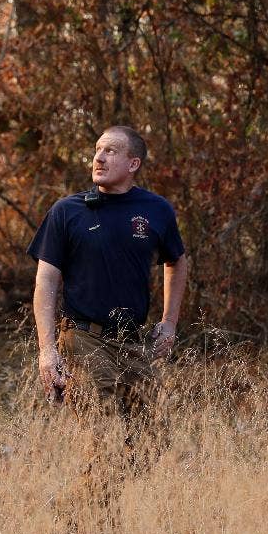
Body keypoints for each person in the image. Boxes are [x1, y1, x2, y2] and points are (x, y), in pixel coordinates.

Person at [27, 126, 189, 418]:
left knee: (150, 442)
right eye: (97, 150)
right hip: (83, 337)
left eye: (110, 151)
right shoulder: (67, 211)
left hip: (134, 342)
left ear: (133, 164)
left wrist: (169, 322)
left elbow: (177, 261)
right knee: (101, 432)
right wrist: (47, 350)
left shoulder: (156, 209)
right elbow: (45, 282)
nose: (98, 158)